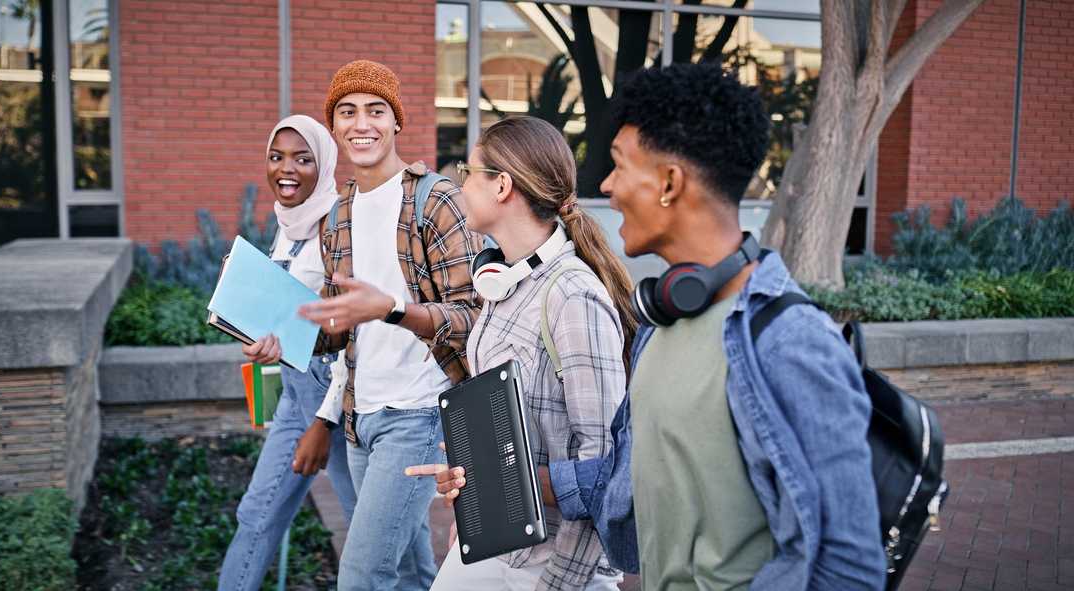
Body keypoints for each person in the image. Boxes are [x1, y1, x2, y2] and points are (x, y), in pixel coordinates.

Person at [436, 63, 887, 590]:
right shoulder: (661, 323)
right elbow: (623, 477)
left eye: (619, 165)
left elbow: (848, 567)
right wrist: (501, 485)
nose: (606, 186)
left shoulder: (790, 343)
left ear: (670, 183)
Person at [407, 116, 638, 590]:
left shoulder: (573, 297)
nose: (459, 184)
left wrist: (558, 583)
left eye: (468, 172)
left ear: (502, 185)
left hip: (552, 567)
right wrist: (472, 494)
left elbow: (602, 468)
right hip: (497, 546)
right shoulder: (505, 282)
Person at [291, 60, 484, 591]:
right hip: (362, 417)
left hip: (419, 413)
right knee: (408, 571)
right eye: (347, 112)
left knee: (360, 576)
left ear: (396, 121)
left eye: (376, 111)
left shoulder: (436, 200)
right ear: (333, 126)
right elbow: (341, 327)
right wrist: (280, 336)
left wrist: (392, 308)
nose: (362, 124)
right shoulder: (338, 216)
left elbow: (474, 317)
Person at [219, 114, 357, 591]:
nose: (286, 169)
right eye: (276, 157)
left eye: (303, 159)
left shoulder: (338, 230)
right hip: (296, 392)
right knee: (256, 515)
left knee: (370, 537)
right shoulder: (289, 221)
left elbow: (354, 337)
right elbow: (288, 318)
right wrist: (259, 338)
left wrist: (322, 423)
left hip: (336, 403)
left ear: (325, 164)